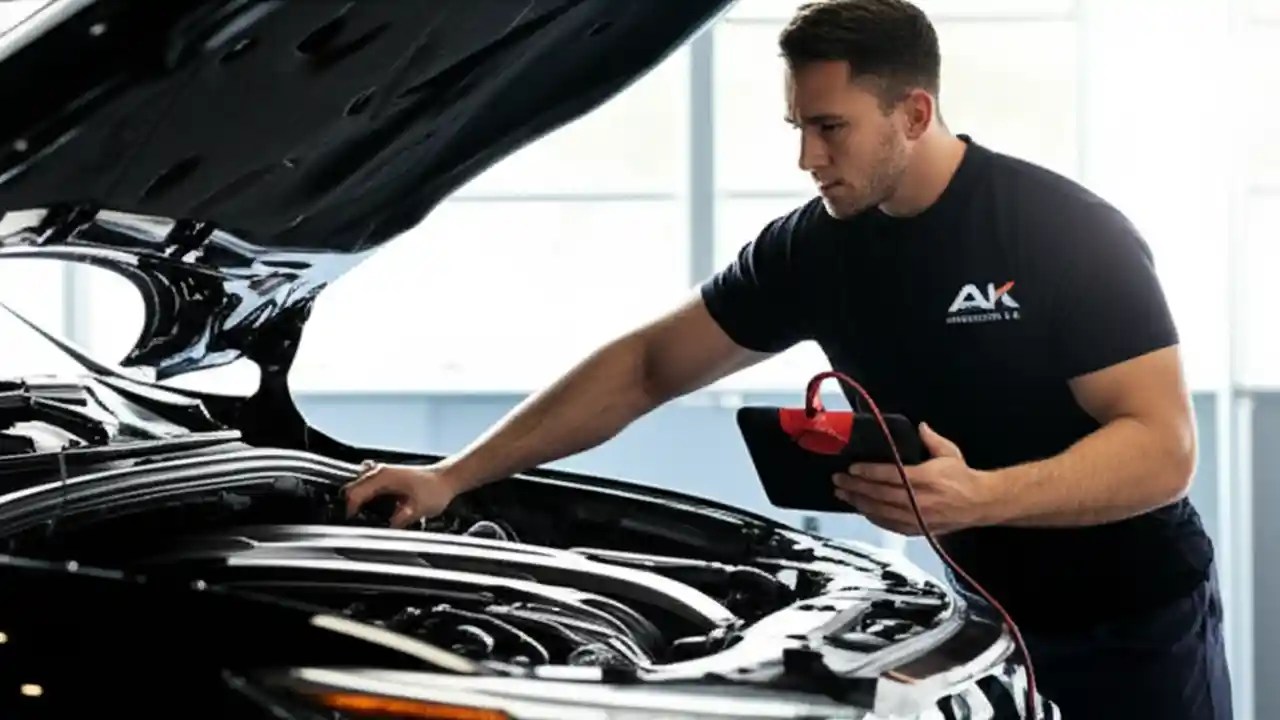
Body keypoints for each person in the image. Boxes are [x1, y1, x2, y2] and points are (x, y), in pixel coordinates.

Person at [342, 0, 1232, 717]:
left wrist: (986, 498)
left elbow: (1162, 450)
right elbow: (651, 365)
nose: (807, 157)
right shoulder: (815, 248)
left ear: (913, 113)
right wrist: (452, 477)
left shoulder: (1062, 231)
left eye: (830, 128)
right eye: (797, 126)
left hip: (1131, 622)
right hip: (973, 620)